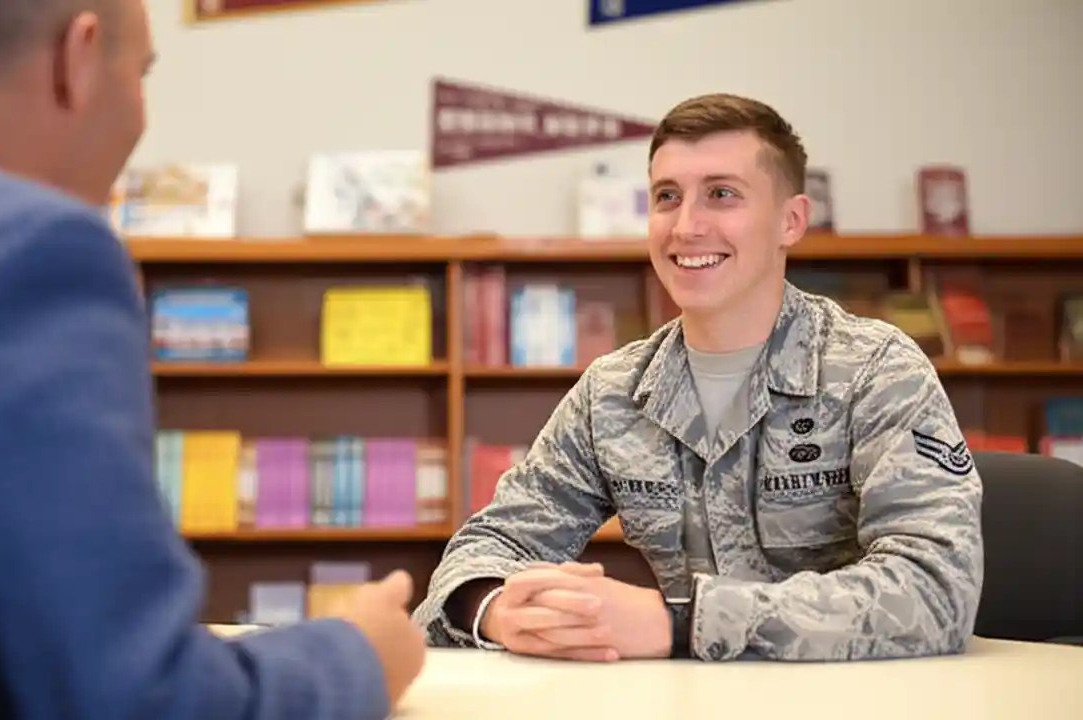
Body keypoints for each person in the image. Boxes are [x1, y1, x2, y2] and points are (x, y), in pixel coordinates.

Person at [0, 1, 424, 718]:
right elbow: (143, 699)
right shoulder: (27, 251)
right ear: (81, 55)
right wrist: (361, 656)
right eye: (143, 72)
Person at [412, 93, 984, 663]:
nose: (687, 227)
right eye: (667, 197)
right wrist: (500, 610)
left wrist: (681, 625)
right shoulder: (613, 392)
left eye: (721, 194)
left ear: (791, 221)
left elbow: (936, 590)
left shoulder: (876, 370)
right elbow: (488, 546)